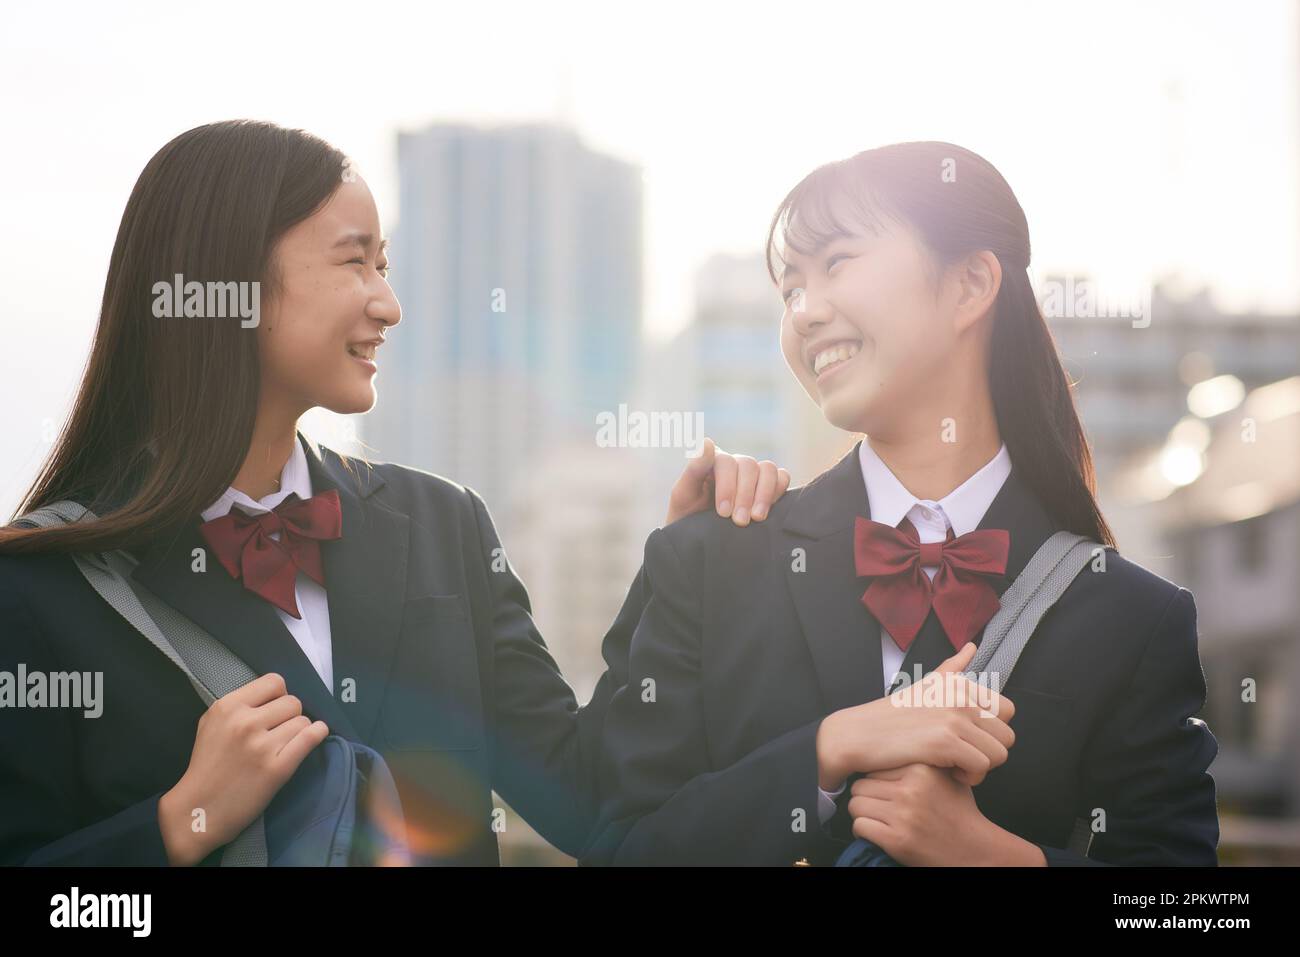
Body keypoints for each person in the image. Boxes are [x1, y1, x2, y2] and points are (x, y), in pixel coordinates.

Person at [0, 119, 791, 866]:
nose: (390, 304)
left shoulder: (442, 523)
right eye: (356, 262)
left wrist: (679, 566)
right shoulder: (45, 586)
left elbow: (590, 800)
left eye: (387, 265)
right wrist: (177, 823)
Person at [584, 141, 1220, 866]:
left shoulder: (1130, 617)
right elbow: (613, 847)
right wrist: (830, 749)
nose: (804, 312)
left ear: (970, 285)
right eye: (790, 289)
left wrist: (991, 856)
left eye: (837, 263)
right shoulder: (707, 561)